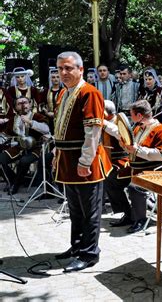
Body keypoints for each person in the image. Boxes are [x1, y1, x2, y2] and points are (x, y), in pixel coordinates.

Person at [53, 51, 112, 272]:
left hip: (85, 162)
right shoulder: (63, 93)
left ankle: (89, 254)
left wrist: (85, 161)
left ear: (80, 70)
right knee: (75, 209)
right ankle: (77, 247)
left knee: (90, 211)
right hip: (66, 160)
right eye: (60, 69)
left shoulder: (90, 93)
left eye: (68, 68)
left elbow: (93, 131)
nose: (64, 73)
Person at [122, 100, 162, 233]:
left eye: (131, 114)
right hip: (137, 168)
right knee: (112, 178)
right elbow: (132, 145)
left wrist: (137, 150)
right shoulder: (138, 127)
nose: (130, 117)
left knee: (134, 187)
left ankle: (141, 219)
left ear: (139, 115)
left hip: (155, 170)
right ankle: (129, 214)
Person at [0, 96, 50, 194]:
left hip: (35, 148)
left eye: (25, 102)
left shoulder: (37, 116)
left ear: (30, 104)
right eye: (19, 103)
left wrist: (30, 122)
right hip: (19, 147)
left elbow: (46, 129)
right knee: (1, 159)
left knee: (24, 161)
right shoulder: (13, 119)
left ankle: (16, 185)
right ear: (15, 107)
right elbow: (5, 135)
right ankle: (13, 180)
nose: (23, 105)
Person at [102, 100, 132, 227]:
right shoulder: (107, 122)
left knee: (112, 180)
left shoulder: (117, 123)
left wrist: (103, 123)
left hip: (122, 161)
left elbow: (119, 133)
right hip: (110, 160)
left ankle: (127, 213)